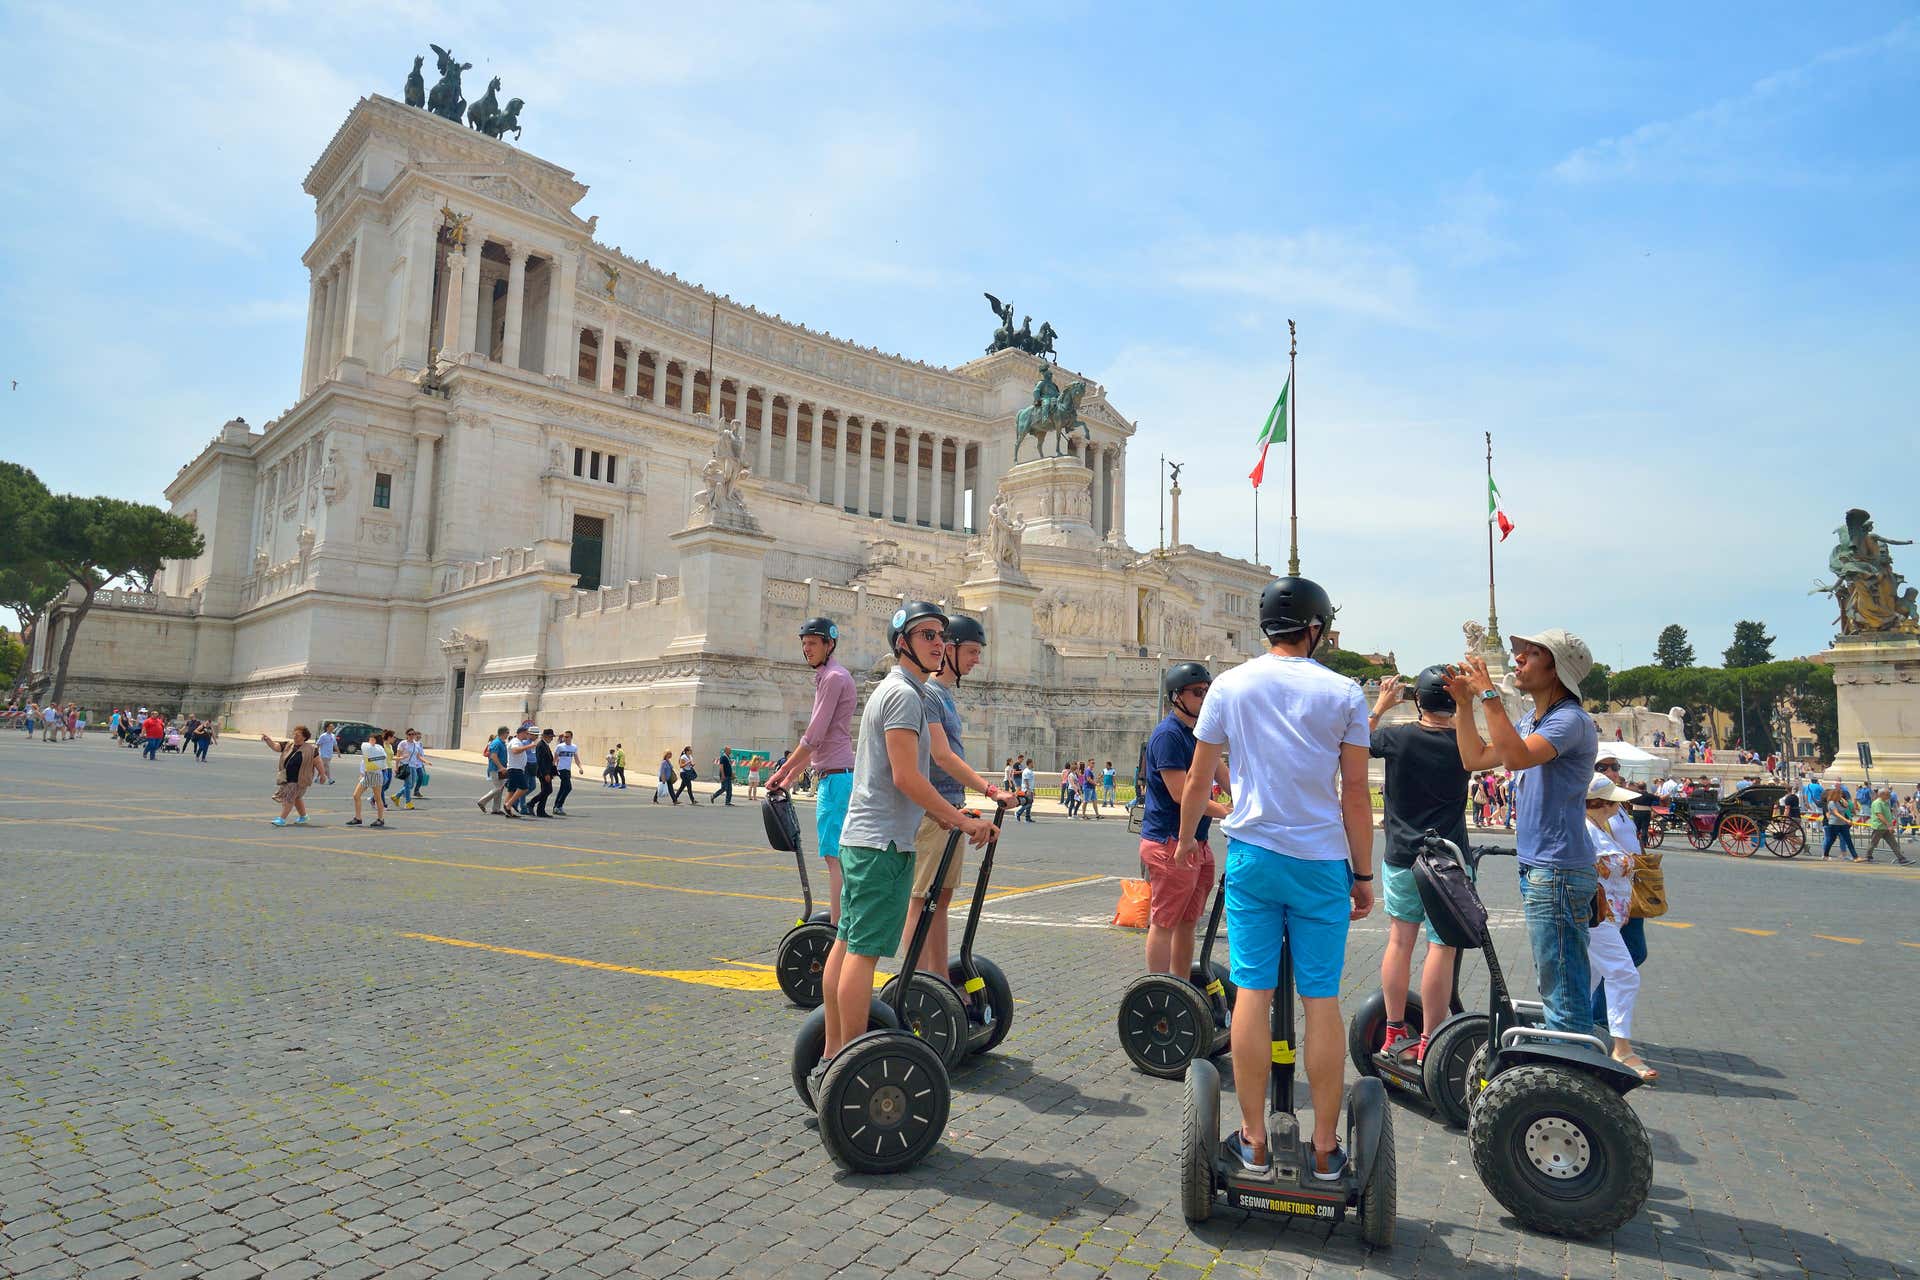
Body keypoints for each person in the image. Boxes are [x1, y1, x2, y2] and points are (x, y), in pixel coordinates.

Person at [1177, 577, 1374, 1181]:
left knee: (1253, 994)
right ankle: (1322, 1147)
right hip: (1319, 862)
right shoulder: (1345, 692)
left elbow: (1197, 778)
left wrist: (1187, 840)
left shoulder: (1230, 686)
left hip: (1252, 855)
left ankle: (1254, 1139)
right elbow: (1357, 797)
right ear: (1314, 628)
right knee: (1320, 999)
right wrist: (1363, 874)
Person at [812, 601, 997, 1096]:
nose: (938, 642)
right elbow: (907, 776)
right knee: (863, 955)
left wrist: (952, 817)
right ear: (903, 644)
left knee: (847, 944)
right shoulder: (905, 697)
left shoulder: (899, 692)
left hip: (867, 839)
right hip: (881, 843)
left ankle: (834, 1052)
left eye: (940, 635)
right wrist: (959, 819)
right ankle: (852, 1062)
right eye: (926, 635)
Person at [1447, 628, 1600, 1035]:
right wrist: (1464, 705)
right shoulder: (1534, 719)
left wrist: (1488, 696)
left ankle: (1571, 1083)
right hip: (1541, 867)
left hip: (1558, 870)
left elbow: (1514, 758)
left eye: (1530, 654)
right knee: (1554, 982)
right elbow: (1474, 757)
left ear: (1556, 669)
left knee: (1563, 993)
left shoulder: (1569, 721)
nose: (1517, 660)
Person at [1368, 665, 1496, 1063]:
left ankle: (1392, 1031)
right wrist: (1470, 706)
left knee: (1400, 941)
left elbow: (1352, 741)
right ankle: (1429, 1040)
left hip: (1402, 857)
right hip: (1450, 858)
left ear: (1418, 700)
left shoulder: (1396, 737)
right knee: (1441, 948)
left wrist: (1381, 706)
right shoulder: (1465, 745)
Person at [900, 613, 1011, 979]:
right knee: (921, 900)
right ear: (950, 649)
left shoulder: (944, 695)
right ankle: (913, 984)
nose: (977, 659)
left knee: (941, 900)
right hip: (933, 813)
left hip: (950, 807)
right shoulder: (929, 694)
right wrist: (991, 790)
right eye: (973, 651)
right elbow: (942, 755)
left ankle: (939, 981)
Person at [1140, 662, 1230, 982]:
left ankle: (1181, 984)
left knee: (1189, 921)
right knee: (1165, 922)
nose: (1204, 699)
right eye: (1197, 693)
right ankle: (1160, 988)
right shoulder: (1168, 735)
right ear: (1177, 696)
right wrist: (1225, 812)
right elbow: (1181, 794)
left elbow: (1221, 772)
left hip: (1197, 840)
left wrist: (1245, 799)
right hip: (1169, 840)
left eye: (1207, 692)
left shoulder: (1199, 733)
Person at [769, 617, 858, 925]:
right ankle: (839, 922)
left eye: (813, 644)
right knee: (837, 859)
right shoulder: (828, 676)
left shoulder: (833, 678)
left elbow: (814, 736)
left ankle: (836, 928)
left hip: (836, 780)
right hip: (834, 775)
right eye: (804, 644)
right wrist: (792, 775)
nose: (807, 649)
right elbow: (820, 741)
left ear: (829, 645)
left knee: (835, 860)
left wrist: (783, 772)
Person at [1583, 773, 1655, 1081]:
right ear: (1603, 803)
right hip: (1597, 916)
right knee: (1624, 974)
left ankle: (1574, 1037)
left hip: (1608, 915)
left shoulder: (1600, 827)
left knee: (1588, 977)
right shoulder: (1586, 829)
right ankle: (1621, 1048)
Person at [1591, 754, 1651, 1035]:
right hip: (1606, 903)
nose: (1614, 771)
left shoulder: (1620, 810)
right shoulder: (1594, 823)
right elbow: (1602, 859)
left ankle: (1596, 1021)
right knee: (1625, 966)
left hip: (1625, 896)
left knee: (1616, 964)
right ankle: (1602, 1023)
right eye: (1606, 767)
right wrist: (1626, 862)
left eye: (1616, 767)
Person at [262, 726, 319, 827]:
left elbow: (318, 762)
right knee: (296, 798)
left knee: (290, 798)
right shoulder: (289, 745)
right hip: (287, 777)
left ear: (304, 737)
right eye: (294, 734)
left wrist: (322, 775)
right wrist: (268, 740)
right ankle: (303, 816)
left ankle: (281, 819)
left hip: (300, 778)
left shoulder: (311, 749)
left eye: (298, 735)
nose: (295, 736)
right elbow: (276, 747)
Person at [348, 730, 390, 828]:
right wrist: (362, 773)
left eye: (372, 739)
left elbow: (382, 764)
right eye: (370, 739)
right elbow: (364, 762)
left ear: (376, 741)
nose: (369, 741)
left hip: (375, 775)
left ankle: (380, 819)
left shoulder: (378, 749)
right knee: (356, 795)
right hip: (367, 775)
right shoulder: (369, 749)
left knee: (378, 798)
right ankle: (358, 818)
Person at [1865, 787, 1912, 864]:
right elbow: (1879, 815)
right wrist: (1889, 825)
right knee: (1873, 843)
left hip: (1886, 827)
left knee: (1893, 843)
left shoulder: (1885, 802)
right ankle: (1868, 857)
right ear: (1882, 795)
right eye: (1888, 794)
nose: (1890, 795)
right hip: (1879, 827)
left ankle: (1901, 858)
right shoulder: (1877, 803)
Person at [500, 725, 534, 819]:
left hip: (516, 768)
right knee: (524, 788)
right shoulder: (515, 741)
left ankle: (507, 810)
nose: (527, 735)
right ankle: (508, 805)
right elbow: (515, 751)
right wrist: (529, 746)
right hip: (515, 769)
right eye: (526, 733)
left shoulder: (519, 742)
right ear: (521, 733)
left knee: (511, 790)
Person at [476, 726, 510, 814]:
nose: (508, 735)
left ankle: (496, 809)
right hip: (495, 769)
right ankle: (482, 801)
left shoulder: (501, 743)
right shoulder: (496, 743)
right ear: (503, 733)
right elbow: (493, 756)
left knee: (500, 788)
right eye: (507, 733)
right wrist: (501, 767)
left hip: (500, 768)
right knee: (499, 788)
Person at [527, 729, 557, 817]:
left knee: (546, 790)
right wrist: (546, 774)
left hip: (547, 772)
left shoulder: (545, 745)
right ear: (545, 736)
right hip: (543, 773)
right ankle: (531, 803)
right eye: (551, 737)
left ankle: (541, 810)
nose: (551, 739)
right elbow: (541, 761)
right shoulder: (541, 745)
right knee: (547, 790)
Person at [1822, 786, 1857, 860]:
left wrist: (1842, 799)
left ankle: (1855, 857)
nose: (1841, 796)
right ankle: (1825, 855)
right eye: (1839, 794)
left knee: (1848, 840)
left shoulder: (1839, 802)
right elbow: (1836, 813)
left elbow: (1846, 806)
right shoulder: (1831, 803)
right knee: (1831, 840)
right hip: (1834, 824)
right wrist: (1846, 820)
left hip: (1842, 824)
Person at [395, 729, 425, 809]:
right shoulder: (403, 743)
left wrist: (425, 762)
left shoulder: (416, 744)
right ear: (406, 735)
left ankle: (396, 796)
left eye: (413, 734)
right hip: (405, 765)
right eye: (409, 734)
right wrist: (396, 766)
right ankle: (408, 803)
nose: (411, 736)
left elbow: (418, 756)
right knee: (408, 784)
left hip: (413, 766)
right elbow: (398, 756)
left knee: (411, 785)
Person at [554, 730, 578, 816]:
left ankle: (556, 807)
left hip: (568, 770)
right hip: (561, 769)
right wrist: (553, 769)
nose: (565, 738)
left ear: (571, 737)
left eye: (567, 737)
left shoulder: (574, 747)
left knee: (562, 788)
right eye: (564, 737)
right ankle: (559, 806)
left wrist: (580, 767)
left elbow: (576, 758)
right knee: (568, 787)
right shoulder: (560, 747)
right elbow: (555, 758)